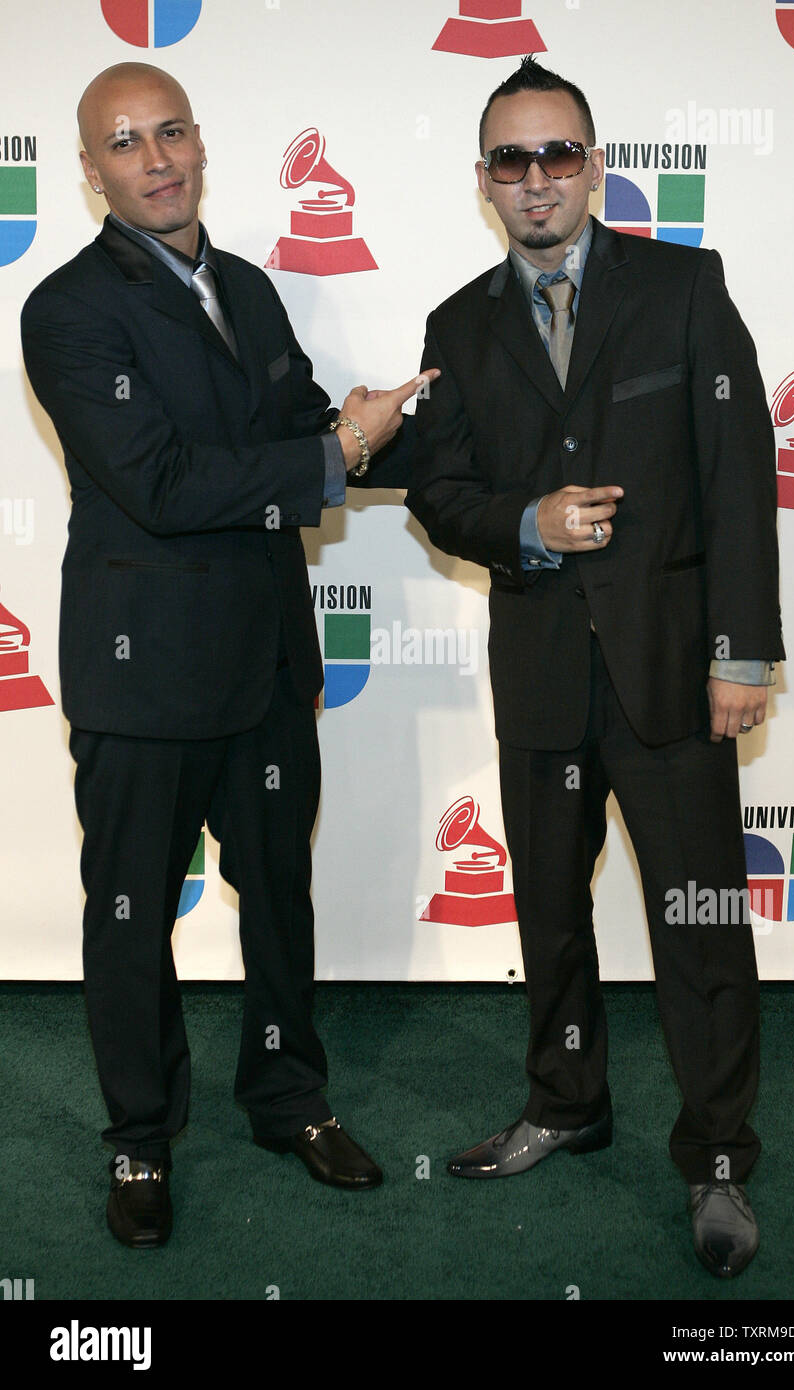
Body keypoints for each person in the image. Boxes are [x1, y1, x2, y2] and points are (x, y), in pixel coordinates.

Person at [20, 61, 437, 1249]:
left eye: (169, 133)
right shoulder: (65, 310)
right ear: (90, 170)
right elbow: (156, 483)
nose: (154, 159)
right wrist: (328, 451)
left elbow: (302, 431)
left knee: (278, 902)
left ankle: (287, 1100)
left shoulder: (250, 290)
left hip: (261, 665)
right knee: (129, 911)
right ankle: (140, 1141)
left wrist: (395, 433)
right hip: (142, 671)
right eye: (123, 143)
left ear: (200, 142)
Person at [406, 57, 783, 1279]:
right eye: (510, 161)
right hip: (541, 682)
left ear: (594, 163)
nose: (536, 180)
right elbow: (441, 495)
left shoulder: (682, 287)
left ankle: (716, 1157)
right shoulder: (455, 326)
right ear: (482, 182)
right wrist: (525, 521)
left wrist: (739, 653)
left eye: (556, 154)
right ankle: (566, 1103)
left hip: (675, 674)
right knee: (550, 918)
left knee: (699, 925)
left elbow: (737, 477)